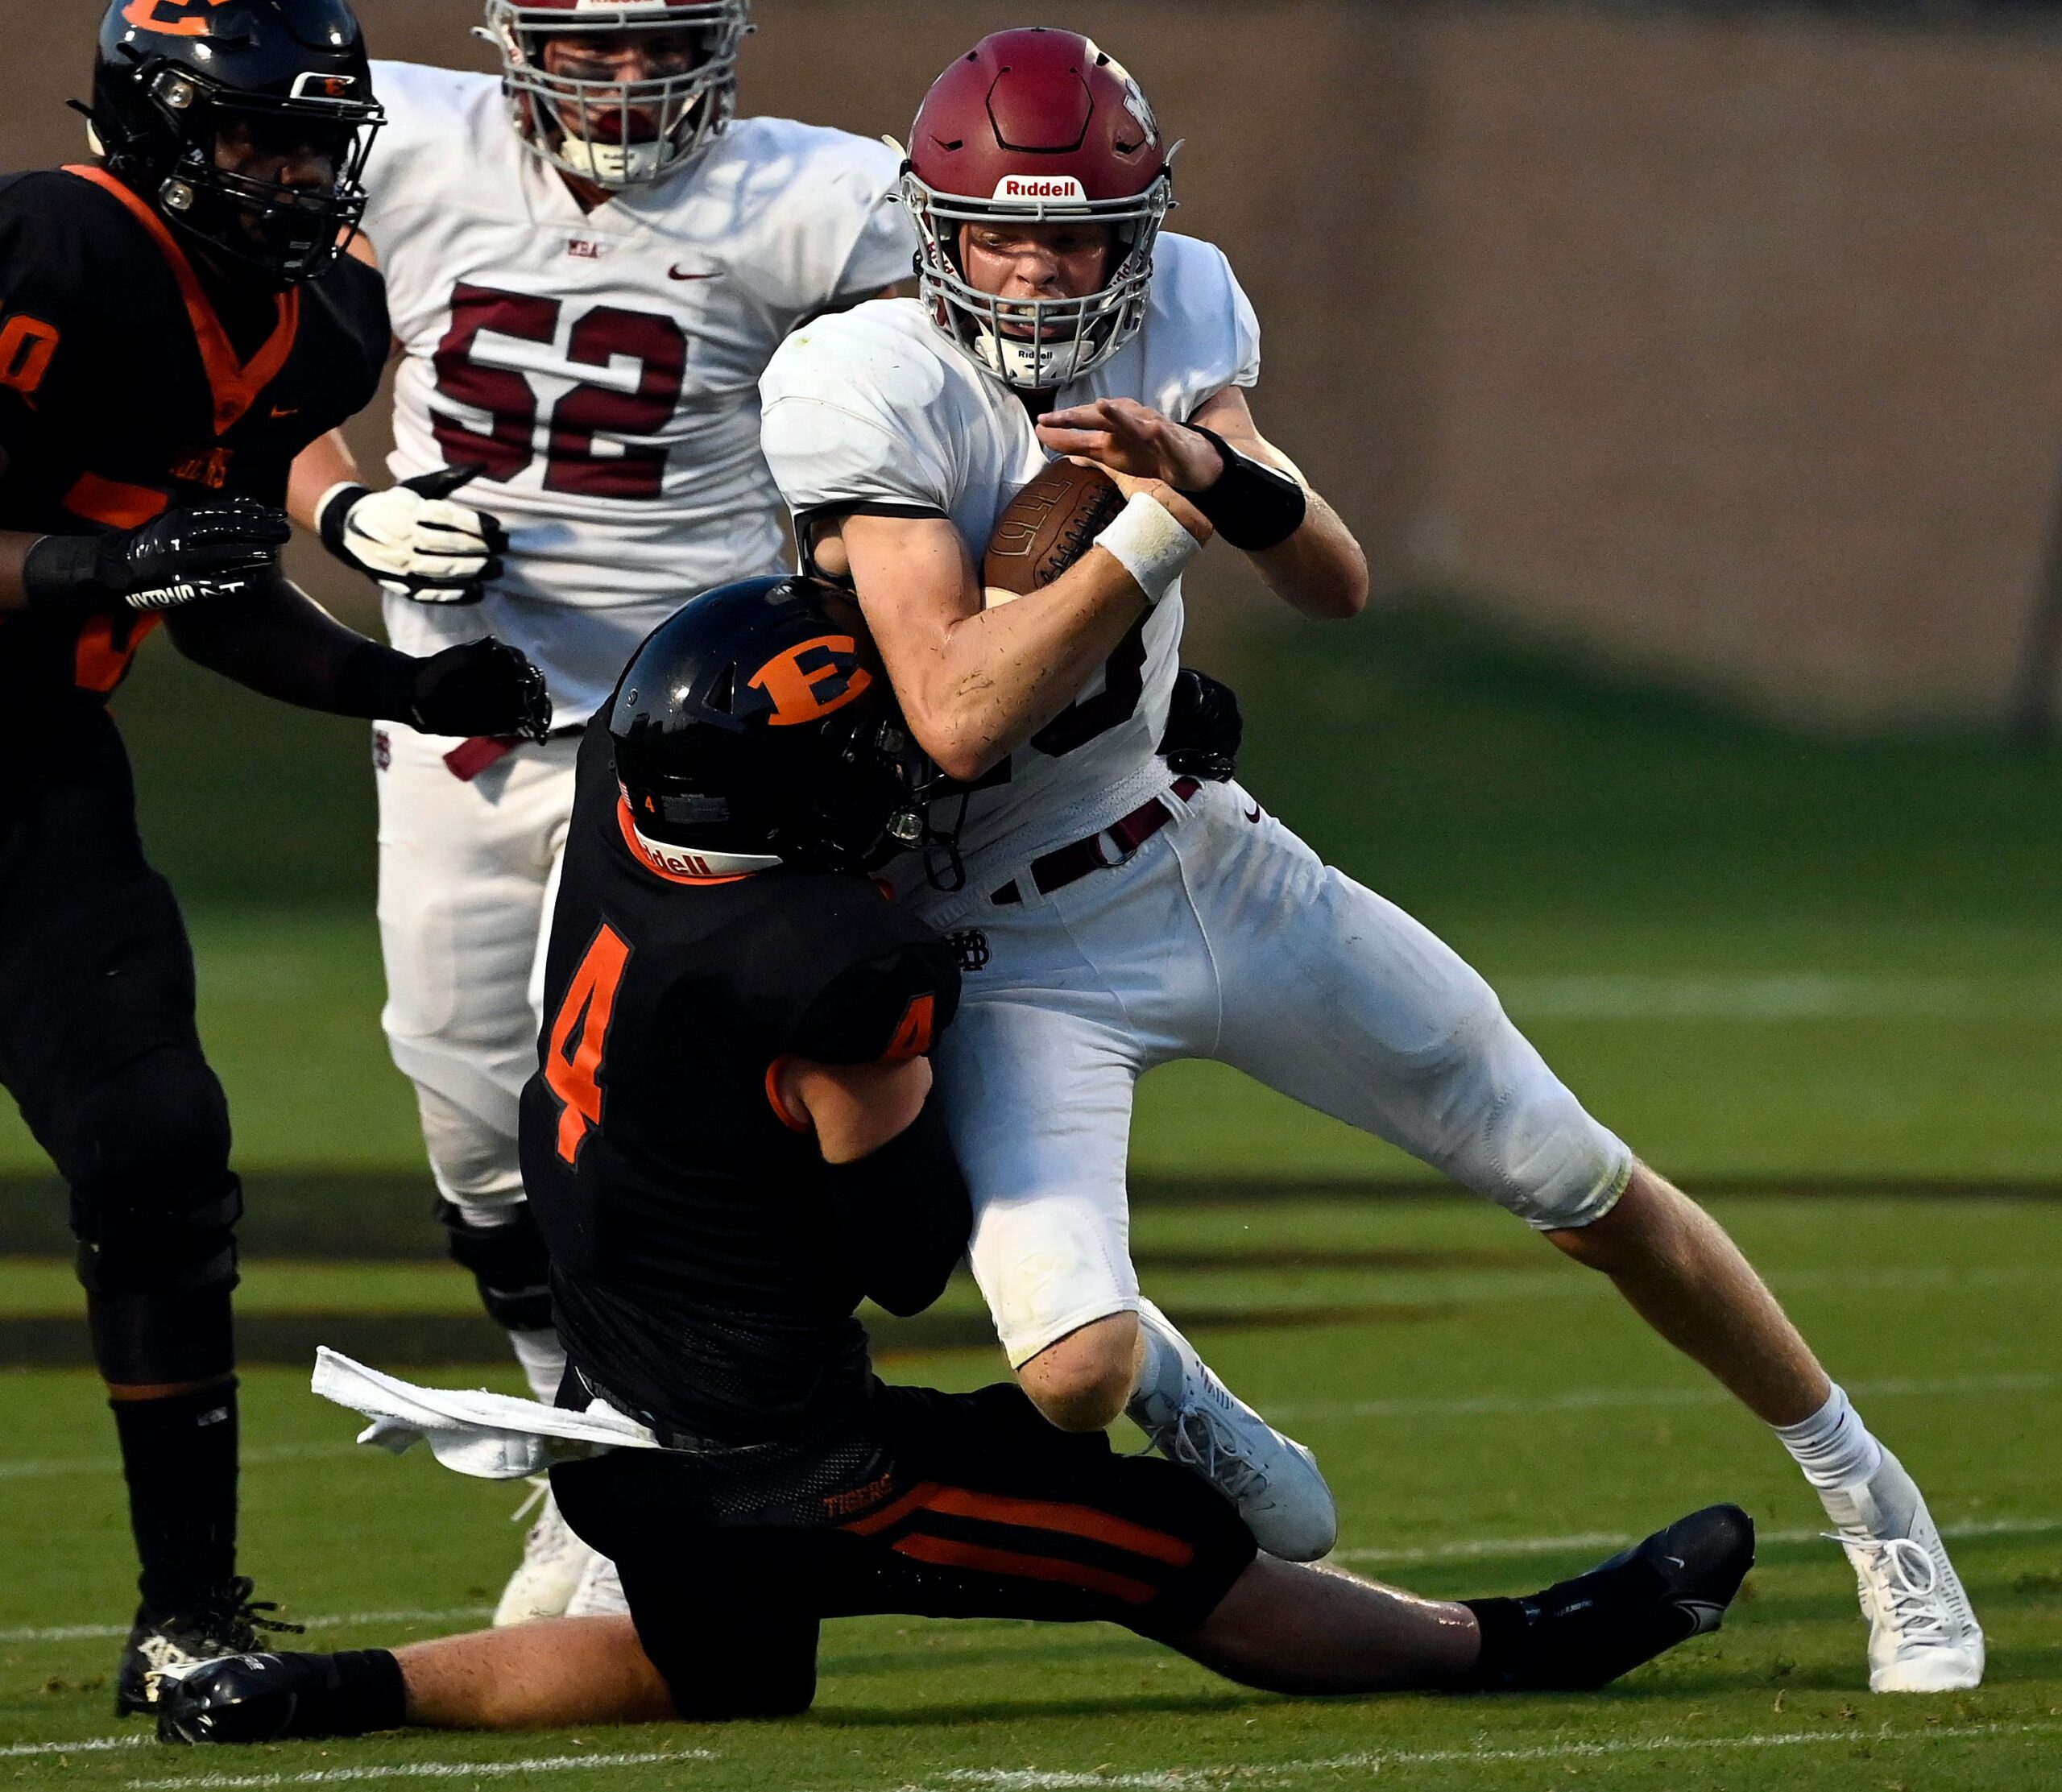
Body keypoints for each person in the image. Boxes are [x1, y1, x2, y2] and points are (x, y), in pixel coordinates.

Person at [754, 28, 1983, 1692]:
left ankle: (1878, 1511)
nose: (1043, 269)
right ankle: (1175, 1383)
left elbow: (1329, 576)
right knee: (1070, 1381)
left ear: (1142, 227)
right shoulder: (859, 377)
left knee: (1578, 1183)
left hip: (1203, 860)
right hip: (1004, 943)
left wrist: (1212, 474)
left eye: (1081, 235)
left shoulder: (1184, 297)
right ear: (931, 226)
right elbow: (961, 717)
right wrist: (1162, 520)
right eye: (1005, 233)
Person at [151, 576, 1756, 1744]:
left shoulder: (622, 812)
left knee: (711, 1678)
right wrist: (906, 1050)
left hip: (617, 1425)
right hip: (791, 1472)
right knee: (1173, 1555)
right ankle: (1511, 1647)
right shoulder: (827, 974)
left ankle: (318, 1691)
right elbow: (907, 1260)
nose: (914, 767)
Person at [281, 0, 925, 1623]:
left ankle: (632, 1468)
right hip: (464, 714)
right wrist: (348, 508)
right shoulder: (404, 141)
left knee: (667, 1129)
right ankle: (577, 1400)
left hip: (700, 749)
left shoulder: (814, 195)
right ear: (514, 40)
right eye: (591, 44)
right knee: (466, 1111)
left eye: (662, 42)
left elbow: (970, 406)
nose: (628, 78)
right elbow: (267, 378)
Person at [0, 0, 552, 1715]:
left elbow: (212, 576)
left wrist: (386, 677)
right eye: (255, 138)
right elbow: (125, 556)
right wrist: (96, 573)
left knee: (158, 1146)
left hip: (26, 762)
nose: (294, 173)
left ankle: (187, 1615)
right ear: (159, 125)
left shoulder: (320, 320)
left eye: (317, 140)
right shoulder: (55, 243)